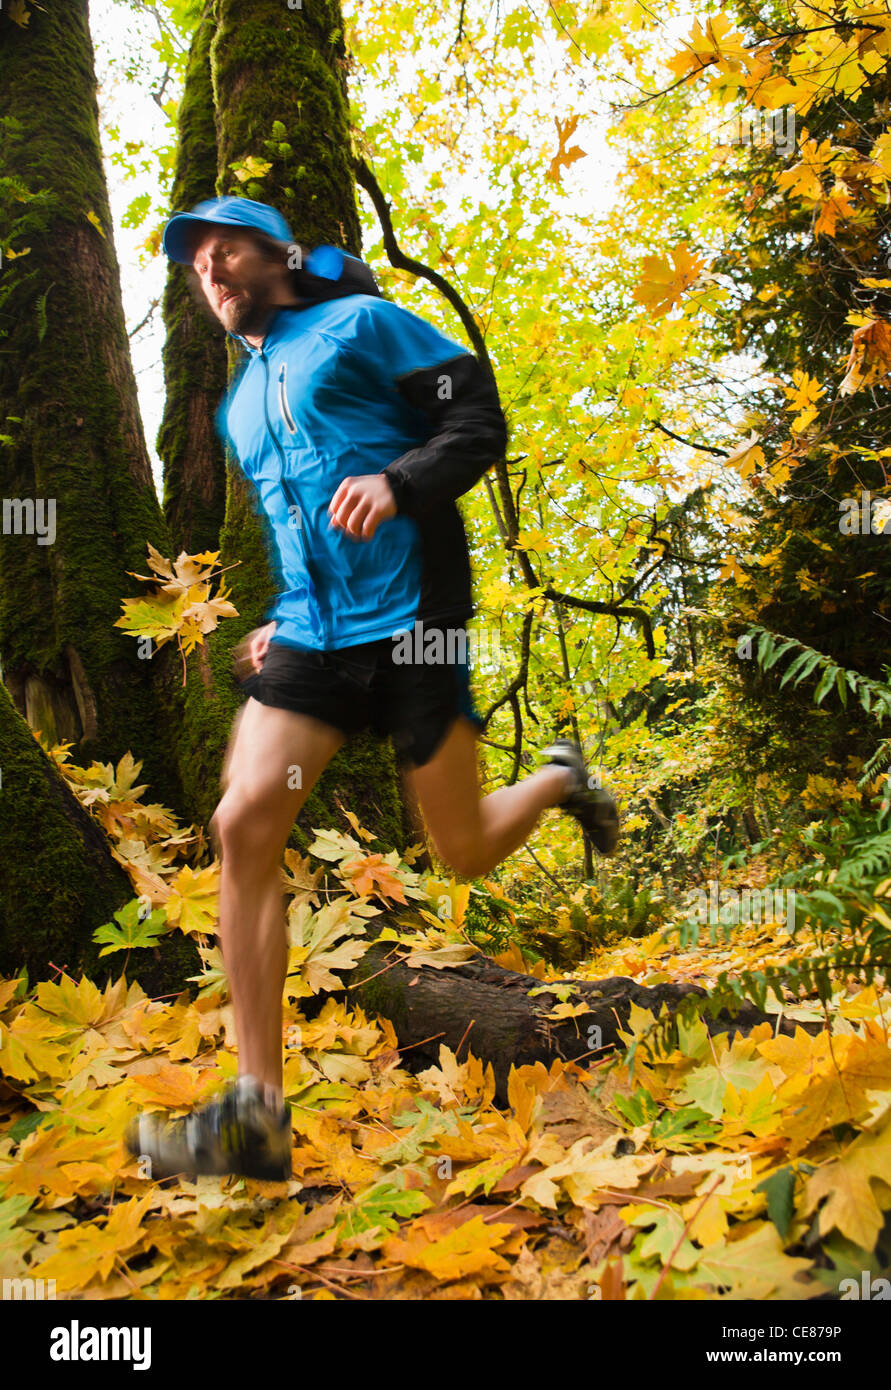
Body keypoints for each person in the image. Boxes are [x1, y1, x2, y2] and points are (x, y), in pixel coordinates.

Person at [126, 196, 619, 1182]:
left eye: (226, 252)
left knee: (462, 847)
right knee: (244, 821)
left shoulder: (362, 324)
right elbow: (292, 517)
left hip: (418, 623)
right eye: (196, 266)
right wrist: (281, 615)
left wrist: (400, 482)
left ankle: (561, 779)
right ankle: (258, 1113)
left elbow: (479, 419)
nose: (211, 272)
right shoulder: (236, 404)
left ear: (280, 256)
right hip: (313, 640)